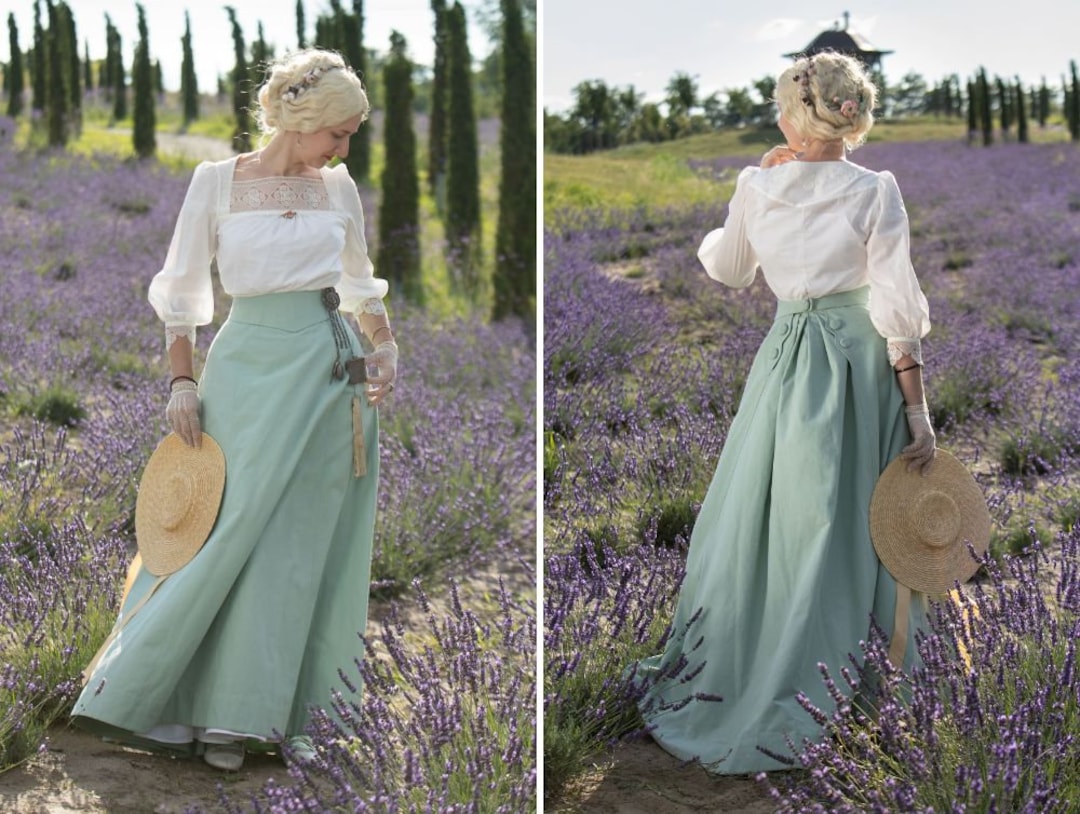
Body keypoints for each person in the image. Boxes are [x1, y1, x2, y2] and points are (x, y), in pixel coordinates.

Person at [71, 48, 396, 772]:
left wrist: (386, 344)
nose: (344, 148)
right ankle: (188, 704)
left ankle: (273, 716)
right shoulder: (216, 183)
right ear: (300, 118)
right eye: (337, 133)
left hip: (326, 372)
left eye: (349, 135)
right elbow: (183, 291)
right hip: (244, 369)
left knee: (300, 545)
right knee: (223, 530)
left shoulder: (337, 189)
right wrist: (182, 383)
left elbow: (357, 283)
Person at [632, 51, 936, 774]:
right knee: (866, 514)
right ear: (852, 115)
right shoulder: (875, 189)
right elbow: (897, 306)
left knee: (774, 511)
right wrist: (918, 409)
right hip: (861, 365)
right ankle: (864, 679)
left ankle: (757, 656)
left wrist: (759, 190)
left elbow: (728, 268)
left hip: (788, 359)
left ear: (791, 116)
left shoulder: (757, 185)